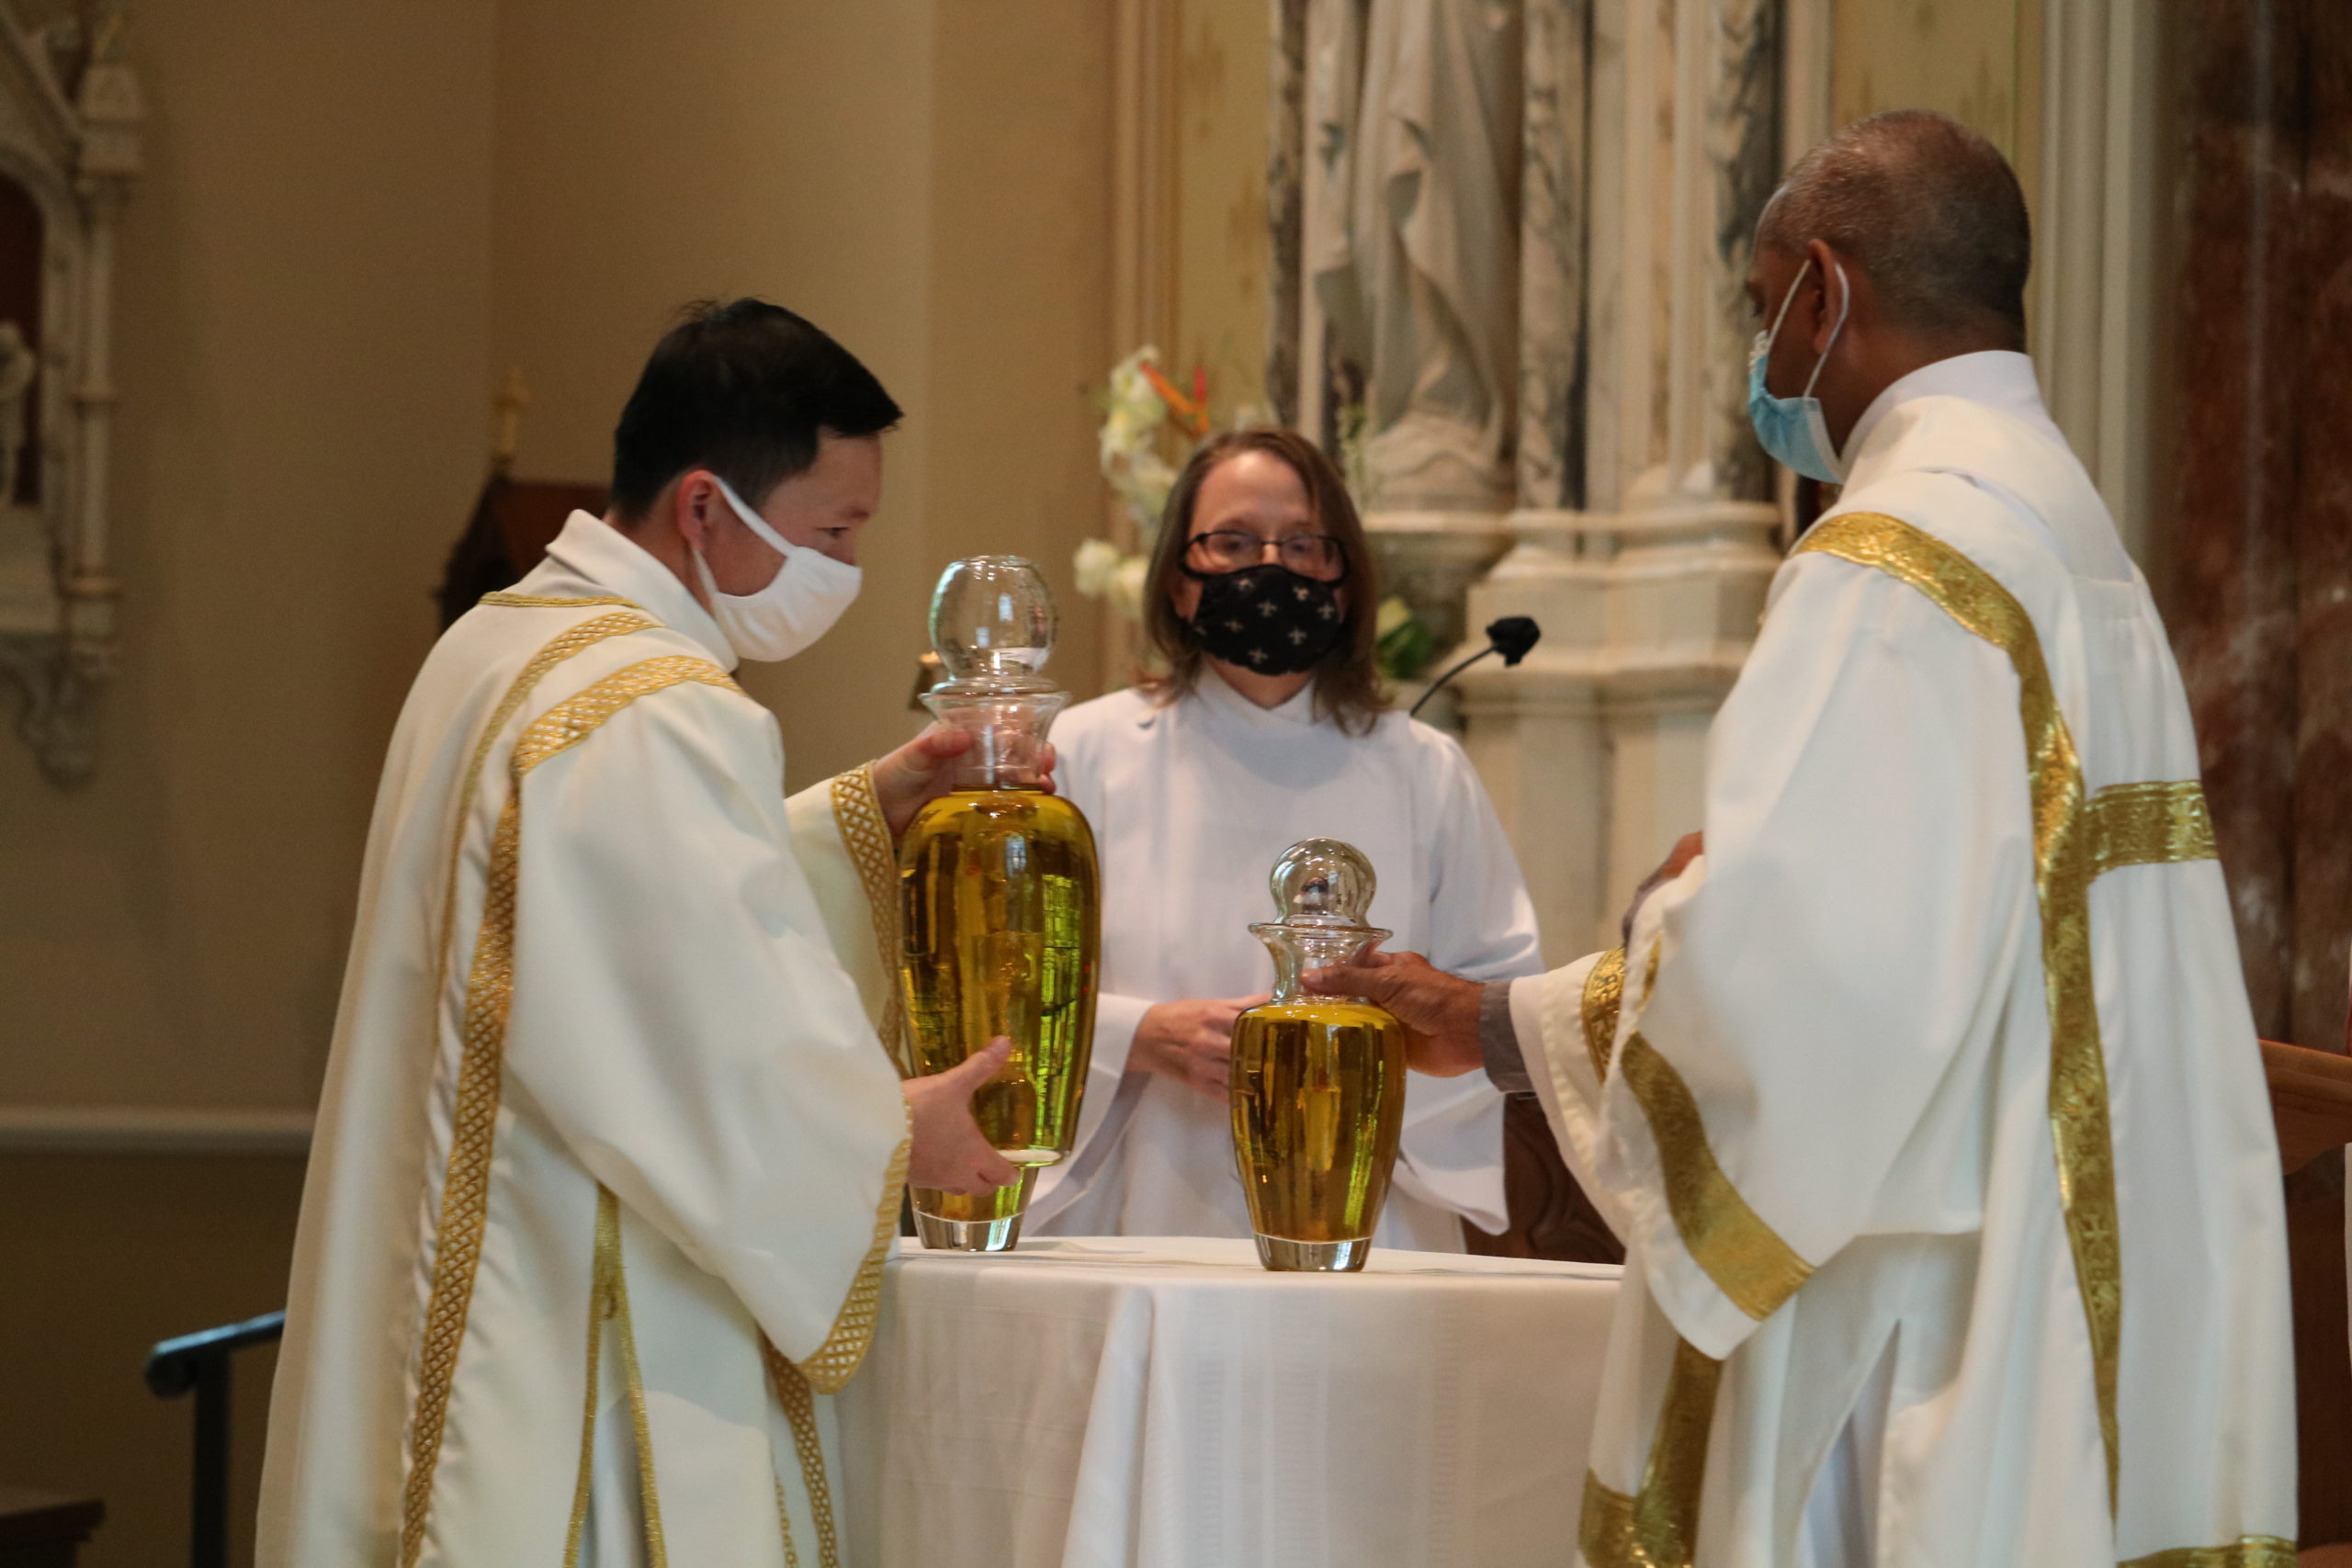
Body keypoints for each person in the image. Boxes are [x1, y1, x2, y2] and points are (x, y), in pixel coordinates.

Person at [1308, 111, 2297, 1564]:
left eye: (1771, 313)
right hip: (2065, 1272)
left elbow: (1800, 987)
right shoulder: (2068, 532)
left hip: (1913, 1325)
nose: (1772, 364)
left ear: (1827, 294)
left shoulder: (1893, 556)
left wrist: (1613, 956)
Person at [257, 299, 1017, 1568]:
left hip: (451, 1273)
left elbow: (609, 935)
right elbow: (705, 1040)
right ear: (706, 506)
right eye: (833, 532)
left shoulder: (497, 647)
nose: (845, 568)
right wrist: (894, 1130)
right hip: (567, 1328)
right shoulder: (657, 706)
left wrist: (860, 815)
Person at [1027, 426, 1541, 1250]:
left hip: (1368, 1209)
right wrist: (1139, 1035)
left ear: (1343, 581)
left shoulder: (1421, 768)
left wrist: (1365, 1045)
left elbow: (1500, 997)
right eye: (1232, 542)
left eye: (1303, 545)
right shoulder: (1084, 755)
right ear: (1179, 581)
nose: (1271, 568)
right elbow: (1010, 990)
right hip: (1138, 1204)